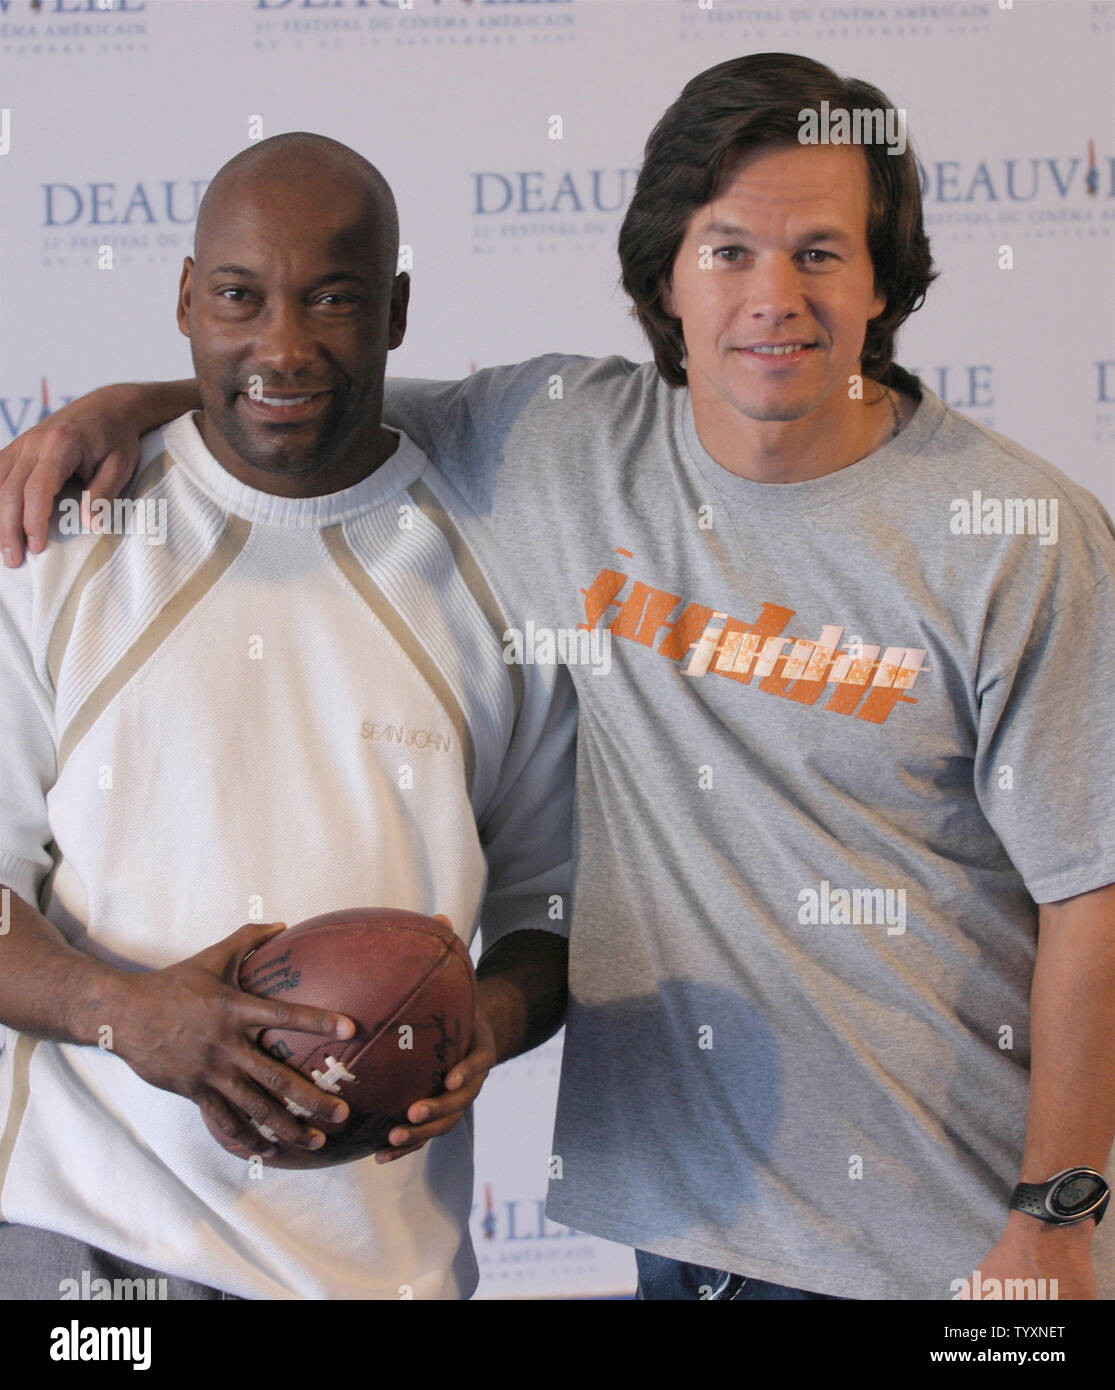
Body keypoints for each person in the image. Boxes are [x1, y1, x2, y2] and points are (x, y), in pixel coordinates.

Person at [2, 53, 1112, 1302]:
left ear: (882, 278)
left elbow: (1094, 897)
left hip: (945, 1242)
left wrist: (1055, 1221)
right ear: (664, 273)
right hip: (680, 1226)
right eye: (728, 249)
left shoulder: (1013, 529)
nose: (771, 298)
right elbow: (300, 397)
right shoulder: (570, 445)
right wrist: (118, 407)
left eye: (819, 251)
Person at [0, 132, 575, 1301]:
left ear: (397, 312)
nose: (283, 343)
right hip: (90, 1264)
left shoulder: (496, 575)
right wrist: (127, 1014)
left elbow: (550, 904)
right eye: (238, 296)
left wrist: (491, 1021)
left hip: (382, 1268)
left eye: (333, 298)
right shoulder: (60, 545)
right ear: (183, 300)